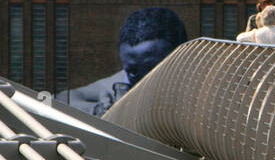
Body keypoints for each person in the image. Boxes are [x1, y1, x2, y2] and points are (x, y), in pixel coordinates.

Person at [60, 7, 189, 117]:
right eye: (133, 71)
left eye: (152, 69)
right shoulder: (120, 85)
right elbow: (62, 99)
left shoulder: (203, 86)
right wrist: (97, 110)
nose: (142, 82)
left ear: (181, 58)